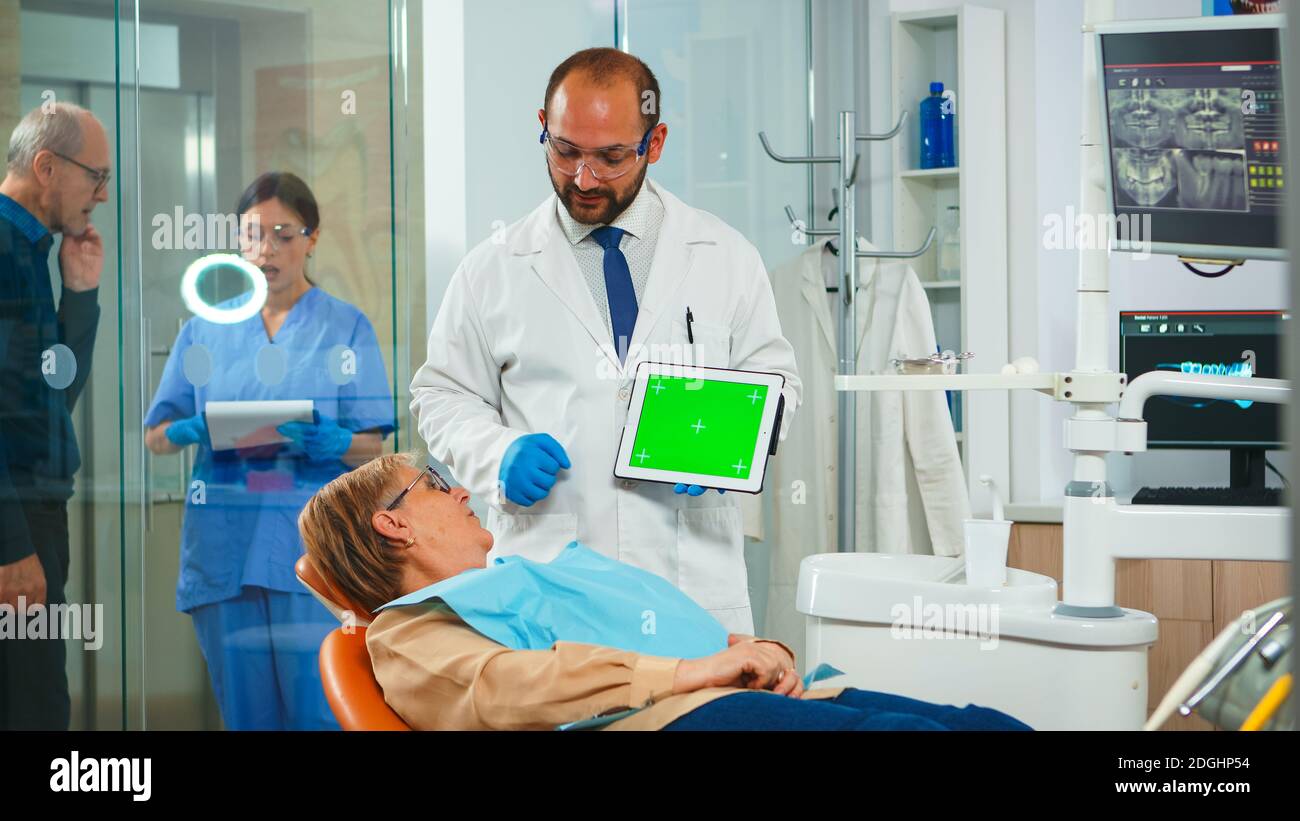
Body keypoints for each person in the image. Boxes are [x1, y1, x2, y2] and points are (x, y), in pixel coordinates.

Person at [411, 48, 801, 635]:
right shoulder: (493, 267)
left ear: (656, 142)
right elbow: (440, 394)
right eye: (565, 150)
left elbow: (778, 385)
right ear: (543, 127)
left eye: (611, 157)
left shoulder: (724, 256)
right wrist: (496, 455)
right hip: (551, 583)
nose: (584, 177)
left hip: (689, 581)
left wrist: (728, 441)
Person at [297, 453, 1032, 731]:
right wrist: (692, 673)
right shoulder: (407, 632)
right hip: (677, 718)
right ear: (394, 524)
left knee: (979, 724)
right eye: (433, 480)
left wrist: (748, 650)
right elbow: (510, 688)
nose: (460, 488)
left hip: (739, 693)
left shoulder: (522, 579)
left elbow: (650, 628)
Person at [143, 172, 394, 730]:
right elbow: (155, 434)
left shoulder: (344, 326)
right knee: (247, 718)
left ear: (312, 238)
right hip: (225, 550)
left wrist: (334, 440)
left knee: (319, 713)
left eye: (283, 233)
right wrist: (189, 431)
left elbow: (373, 444)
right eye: (253, 234)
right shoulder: (206, 328)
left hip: (312, 550)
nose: (266, 249)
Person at [0, 102, 108, 730]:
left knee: (39, 704)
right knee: (32, 711)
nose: (101, 195)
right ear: (46, 166)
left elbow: (50, 399)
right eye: (96, 176)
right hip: (14, 523)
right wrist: (10, 545)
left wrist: (81, 294)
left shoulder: (31, 252)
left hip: (32, 516)